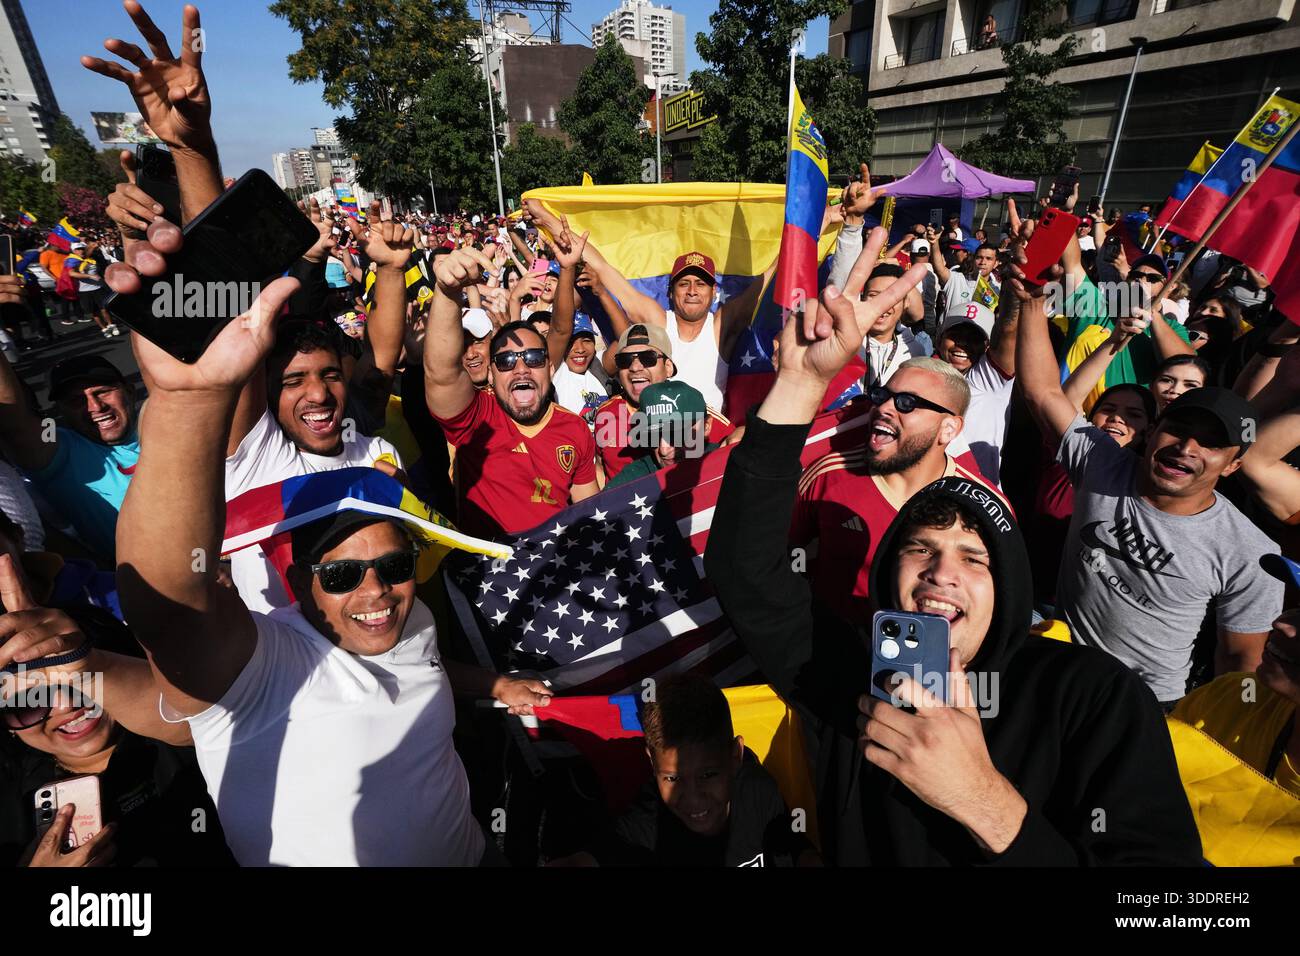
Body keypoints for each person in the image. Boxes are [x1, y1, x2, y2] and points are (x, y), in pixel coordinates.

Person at [704, 248, 1203, 865]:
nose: (941, 573)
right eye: (920, 548)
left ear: (1009, 585)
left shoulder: (1092, 699)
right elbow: (744, 568)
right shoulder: (853, 676)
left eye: (974, 558)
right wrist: (801, 384)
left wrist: (984, 801)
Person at [112, 267, 505, 865]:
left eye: (395, 563)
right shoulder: (261, 670)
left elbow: (418, 666)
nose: (374, 588)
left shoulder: (405, 607)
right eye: (341, 574)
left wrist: (496, 685)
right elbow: (166, 610)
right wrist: (188, 403)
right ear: (300, 583)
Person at [1017, 272, 1283, 707]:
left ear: (1234, 465)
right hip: (1054, 674)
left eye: (1211, 443)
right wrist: (1030, 302)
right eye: (1178, 429)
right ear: (1155, 428)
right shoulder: (1103, 464)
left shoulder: (1250, 551)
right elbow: (1043, 392)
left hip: (1145, 707)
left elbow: (1242, 662)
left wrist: (1235, 725)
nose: (1187, 448)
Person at [791, 239, 1002, 622]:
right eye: (883, 395)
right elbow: (785, 558)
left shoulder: (986, 507)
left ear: (949, 428)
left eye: (907, 403)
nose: (885, 407)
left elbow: (992, 613)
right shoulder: (828, 476)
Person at [524, 199, 770, 413]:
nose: (692, 291)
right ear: (671, 292)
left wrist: (805, 229)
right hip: (656, 440)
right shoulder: (659, 322)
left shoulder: (719, 328)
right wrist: (547, 219)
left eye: (700, 284)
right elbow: (601, 266)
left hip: (705, 446)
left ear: (714, 292)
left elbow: (765, 282)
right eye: (684, 283)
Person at [426, 246, 598, 537]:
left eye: (533, 358)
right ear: (492, 374)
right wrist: (446, 292)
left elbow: (589, 516)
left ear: (550, 368)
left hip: (552, 570)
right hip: (488, 575)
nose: (521, 369)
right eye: (506, 361)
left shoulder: (575, 428)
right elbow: (441, 374)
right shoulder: (476, 418)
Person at [580, 674, 817, 866]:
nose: (692, 797)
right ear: (652, 763)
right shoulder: (651, 818)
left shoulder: (757, 789)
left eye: (707, 775)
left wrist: (807, 857)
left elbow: (790, 840)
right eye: (672, 778)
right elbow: (607, 849)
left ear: (736, 755)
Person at [0, 329, 138, 562]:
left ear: (131, 391)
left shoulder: (162, 425)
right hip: (156, 588)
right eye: (76, 401)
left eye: (102, 392)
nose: (95, 406)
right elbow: (16, 425)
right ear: (60, 412)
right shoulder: (61, 450)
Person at [595, 323, 733, 482]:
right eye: (625, 360)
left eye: (647, 358)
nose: (634, 367)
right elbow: (599, 466)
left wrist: (741, 432)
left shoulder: (693, 413)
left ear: (668, 367)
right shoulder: (606, 414)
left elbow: (738, 444)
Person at [606, 381, 714, 489]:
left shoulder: (727, 464)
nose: (663, 450)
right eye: (653, 436)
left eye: (676, 434)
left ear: (706, 426)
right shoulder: (633, 481)